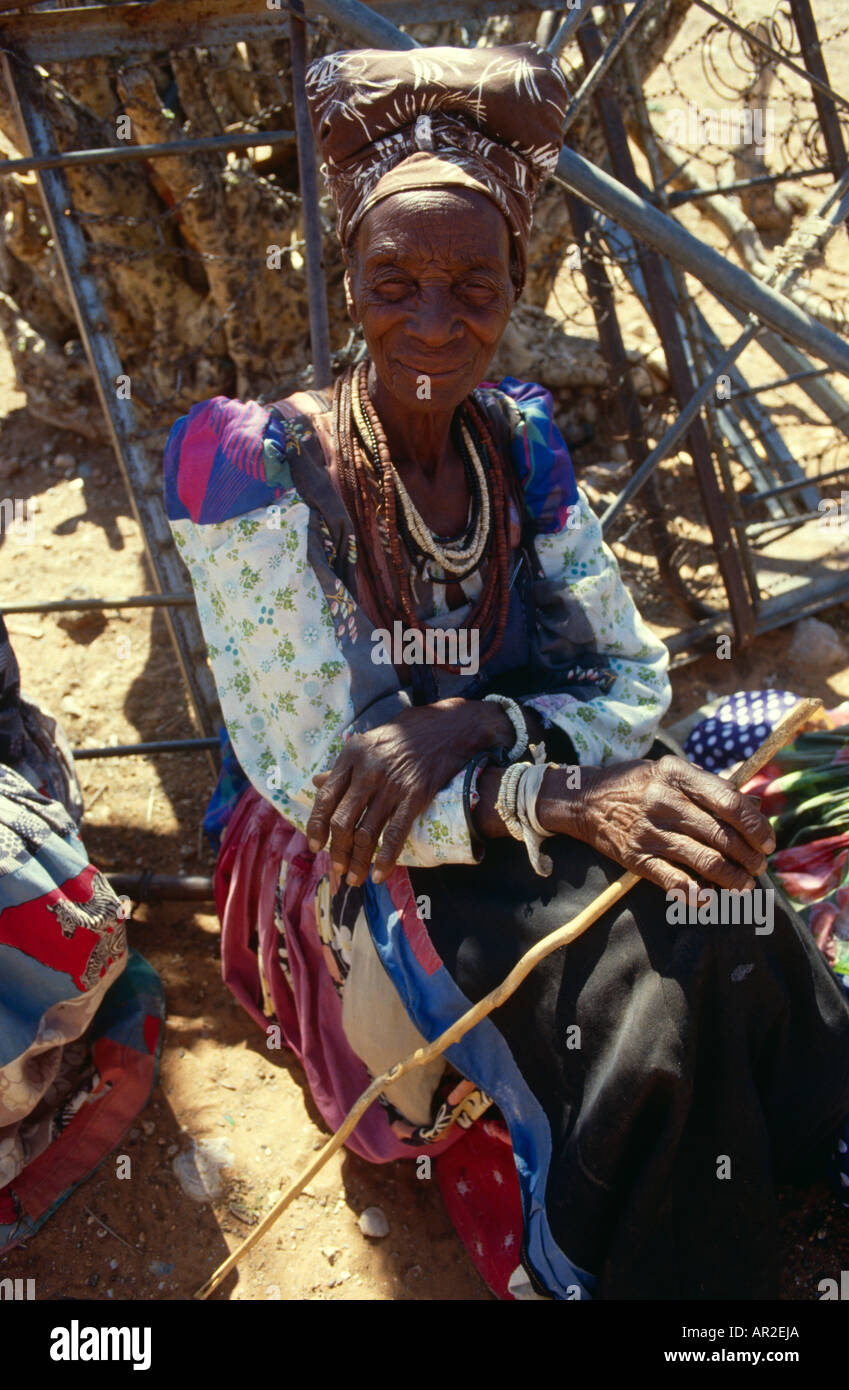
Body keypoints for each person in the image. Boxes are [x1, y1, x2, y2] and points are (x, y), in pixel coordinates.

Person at [164, 43, 849, 1300]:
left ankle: (805, 1139)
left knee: (717, 891)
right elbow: (321, 774)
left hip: (500, 775)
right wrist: (550, 793)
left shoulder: (518, 441)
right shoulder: (251, 472)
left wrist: (473, 722)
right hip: (360, 855)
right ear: (347, 280)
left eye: (471, 285)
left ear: (518, 281)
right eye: (394, 282)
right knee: (632, 988)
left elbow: (629, 679)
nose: (433, 324)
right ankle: (636, 1266)